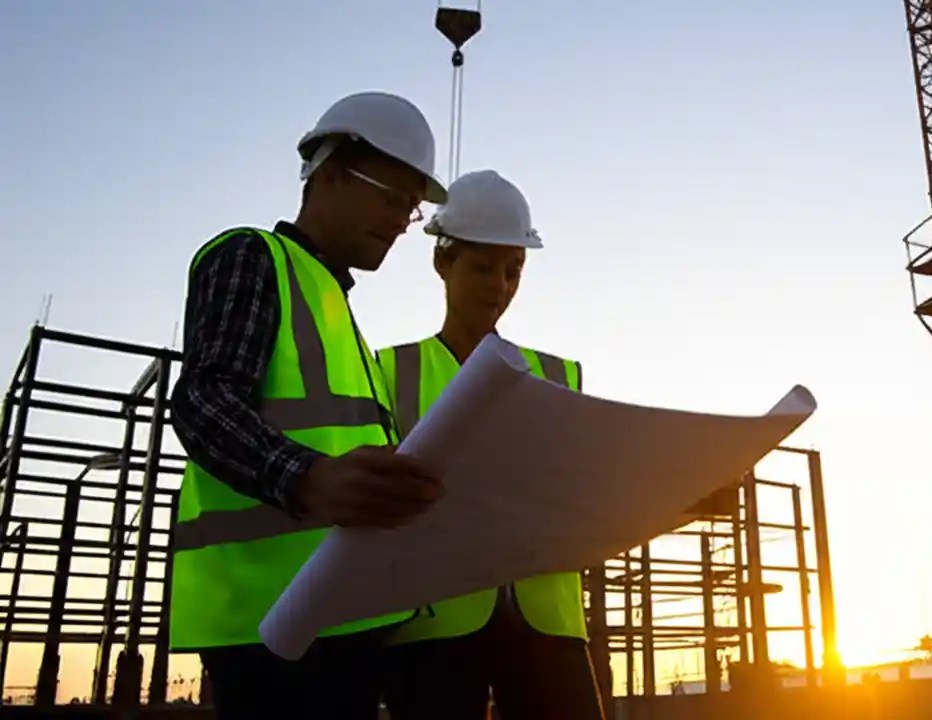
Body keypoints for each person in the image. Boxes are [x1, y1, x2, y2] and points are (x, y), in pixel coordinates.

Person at [167, 90, 451, 720]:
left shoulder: (331, 302)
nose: (401, 222)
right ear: (327, 172)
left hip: (340, 612)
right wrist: (308, 479)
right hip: (275, 628)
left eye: (409, 208)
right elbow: (202, 399)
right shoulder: (253, 257)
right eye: (392, 196)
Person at [375, 169, 607, 720]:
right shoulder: (390, 372)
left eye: (513, 271)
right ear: (442, 262)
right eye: (483, 268)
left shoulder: (558, 375)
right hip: (434, 620)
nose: (499, 286)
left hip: (548, 621)